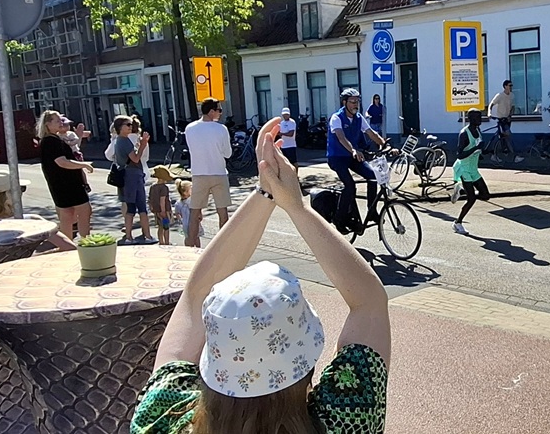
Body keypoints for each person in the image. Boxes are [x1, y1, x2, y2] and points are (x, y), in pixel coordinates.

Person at [130, 117, 390, 434]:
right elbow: (370, 302)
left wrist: (263, 194)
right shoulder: (347, 419)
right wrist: (296, 206)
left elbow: (194, 297)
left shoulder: (163, 419)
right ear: (306, 362)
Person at [327, 88, 387, 234]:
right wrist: (353, 150)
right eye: (352, 102)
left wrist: (386, 145)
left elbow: (371, 133)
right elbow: (341, 138)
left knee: (373, 177)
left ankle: (372, 211)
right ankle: (339, 219)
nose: (355, 105)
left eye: (357, 102)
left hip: (352, 157)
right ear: (344, 102)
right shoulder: (336, 118)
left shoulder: (359, 118)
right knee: (350, 186)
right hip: (337, 158)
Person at [37, 110, 94, 240]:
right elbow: (62, 162)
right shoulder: (51, 141)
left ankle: (68, 245)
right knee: (84, 211)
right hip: (67, 184)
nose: (61, 123)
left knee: (67, 215)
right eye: (57, 121)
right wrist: (83, 165)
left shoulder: (52, 139)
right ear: (47, 124)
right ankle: (86, 241)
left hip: (60, 184)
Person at [184, 98, 234, 247]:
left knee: (194, 212)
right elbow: (228, 153)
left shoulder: (190, 128)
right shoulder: (221, 129)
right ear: (211, 111)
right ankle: (222, 247)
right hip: (218, 172)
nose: (220, 113)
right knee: (222, 211)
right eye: (219, 110)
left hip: (199, 173)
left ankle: (190, 245)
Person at [113, 115, 156, 245]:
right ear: (120, 127)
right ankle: (145, 236)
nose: (131, 127)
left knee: (132, 207)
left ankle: (131, 236)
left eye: (131, 124)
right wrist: (143, 145)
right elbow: (135, 159)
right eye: (128, 125)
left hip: (129, 175)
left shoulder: (120, 141)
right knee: (139, 206)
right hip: (132, 176)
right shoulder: (124, 141)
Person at [449, 108, 490, 235]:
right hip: (464, 169)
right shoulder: (464, 133)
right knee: (471, 199)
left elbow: (477, 148)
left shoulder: (477, 129)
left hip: (473, 169)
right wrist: (476, 148)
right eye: (478, 117)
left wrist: (482, 152)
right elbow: (459, 155)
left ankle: (462, 191)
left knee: (485, 195)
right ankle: (457, 223)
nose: (481, 119)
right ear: (471, 119)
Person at [487, 80, 524, 163]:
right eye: (509, 85)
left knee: (503, 138)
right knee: (507, 136)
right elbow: (491, 104)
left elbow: (513, 107)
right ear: (505, 86)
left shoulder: (512, 95)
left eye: (511, 85)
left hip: (507, 119)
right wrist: (489, 113)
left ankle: (497, 153)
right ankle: (514, 156)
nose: (511, 87)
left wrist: (510, 116)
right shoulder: (500, 95)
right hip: (501, 119)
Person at [58, 116, 90, 192]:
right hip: (66, 154)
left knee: (80, 168)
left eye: (68, 125)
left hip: (75, 153)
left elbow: (76, 140)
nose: (66, 127)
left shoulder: (70, 134)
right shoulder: (58, 136)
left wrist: (70, 143)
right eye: (64, 125)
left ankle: (85, 183)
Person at [173, 179, 203, 247]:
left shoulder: (178, 203)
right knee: (196, 236)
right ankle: (198, 248)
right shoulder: (192, 200)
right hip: (194, 221)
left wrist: (180, 220)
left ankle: (188, 248)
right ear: (185, 192)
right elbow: (197, 208)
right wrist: (200, 215)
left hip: (185, 223)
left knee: (187, 237)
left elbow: (177, 213)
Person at [148, 165, 174, 246]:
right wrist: (163, 211)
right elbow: (162, 200)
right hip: (164, 211)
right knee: (166, 227)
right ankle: (166, 242)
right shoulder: (164, 188)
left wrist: (152, 208)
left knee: (160, 227)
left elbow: (150, 199)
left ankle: (161, 241)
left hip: (156, 211)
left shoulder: (153, 187)